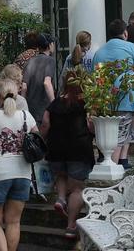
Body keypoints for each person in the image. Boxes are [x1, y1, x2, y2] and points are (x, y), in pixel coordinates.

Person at [0, 79, 38, 251]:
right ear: (17, 95)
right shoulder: (27, 116)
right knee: (14, 221)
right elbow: (37, 140)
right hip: (22, 173)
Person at [40, 74, 94, 239]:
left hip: (56, 148)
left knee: (61, 175)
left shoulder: (55, 103)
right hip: (79, 150)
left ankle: (61, 199)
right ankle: (71, 226)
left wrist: (41, 140)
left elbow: (45, 124)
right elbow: (91, 126)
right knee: (77, 189)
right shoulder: (85, 104)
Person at [91, 19, 134, 167]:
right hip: (125, 99)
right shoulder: (131, 48)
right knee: (118, 137)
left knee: (107, 135)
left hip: (103, 101)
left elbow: (94, 78)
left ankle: (114, 165)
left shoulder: (99, 52)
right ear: (125, 33)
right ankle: (113, 169)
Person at [22, 34, 57, 127]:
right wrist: (54, 104)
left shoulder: (29, 61)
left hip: (30, 109)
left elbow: (24, 87)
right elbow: (47, 83)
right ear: (49, 45)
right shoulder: (50, 61)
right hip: (44, 110)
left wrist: (23, 107)